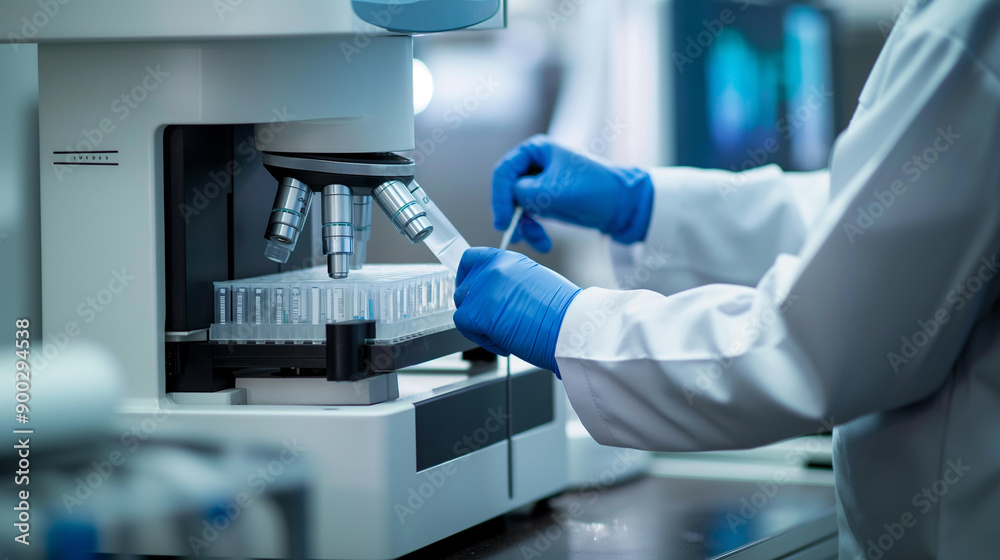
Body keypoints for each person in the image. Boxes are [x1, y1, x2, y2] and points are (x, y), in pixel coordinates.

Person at [453, 0, 1000, 557]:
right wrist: (645, 205)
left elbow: (824, 347)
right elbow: (872, 218)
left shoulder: (973, 25)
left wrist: (571, 325)